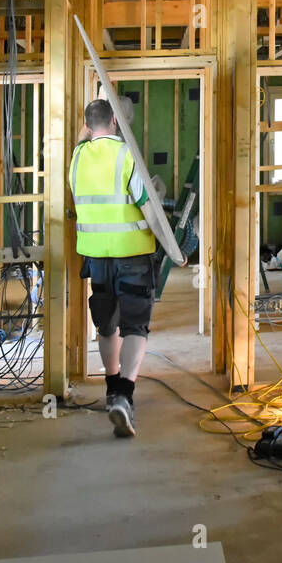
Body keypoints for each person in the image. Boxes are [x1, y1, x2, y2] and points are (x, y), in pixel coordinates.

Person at [69, 97, 169, 437]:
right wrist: (172, 248)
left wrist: (89, 124)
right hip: (133, 255)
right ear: (115, 121)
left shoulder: (77, 158)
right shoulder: (127, 156)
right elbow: (149, 208)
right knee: (135, 327)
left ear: (87, 125)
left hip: (96, 258)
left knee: (106, 326)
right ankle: (125, 396)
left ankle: (112, 390)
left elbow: (83, 138)